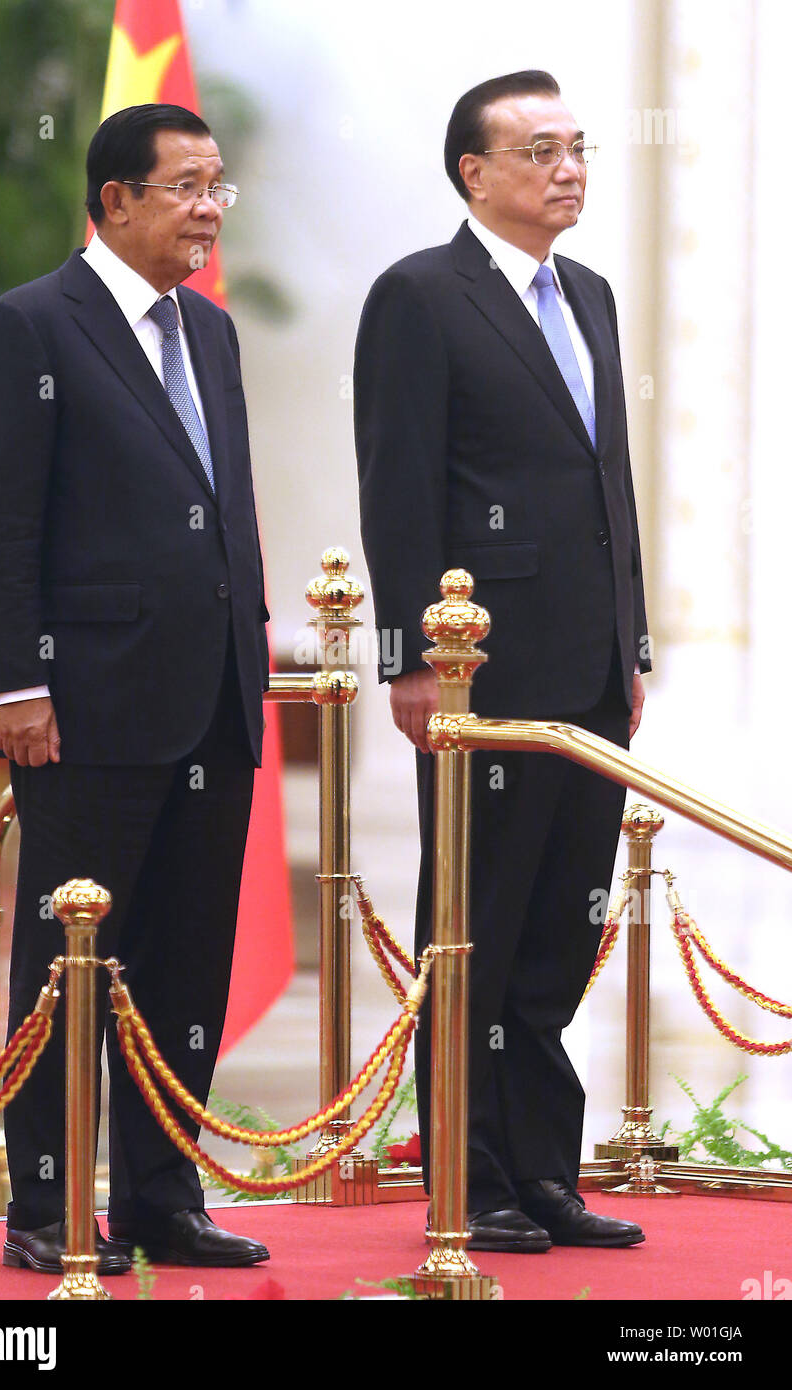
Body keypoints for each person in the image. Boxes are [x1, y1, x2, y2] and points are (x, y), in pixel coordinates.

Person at [0, 103, 271, 1271]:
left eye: (216, 187)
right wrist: (15, 682)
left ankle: (161, 1197)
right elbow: (1, 522)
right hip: (85, 707)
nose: (207, 210)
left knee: (183, 961)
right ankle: (44, 1209)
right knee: (69, 967)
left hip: (213, 702)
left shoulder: (213, 332)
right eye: (187, 187)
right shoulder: (31, 327)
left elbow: (221, 510)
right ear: (115, 201)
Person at [354, 72, 650, 1252]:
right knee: (473, 926)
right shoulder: (420, 296)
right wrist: (410, 659)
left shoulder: (587, 292)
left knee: (557, 935)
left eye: (576, 148)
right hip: (479, 680)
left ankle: (542, 1173)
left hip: (587, 676)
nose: (567, 168)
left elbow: (602, 491)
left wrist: (630, 642)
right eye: (539, 151)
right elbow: (396, 487)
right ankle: (464, 1180)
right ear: (474, 172)